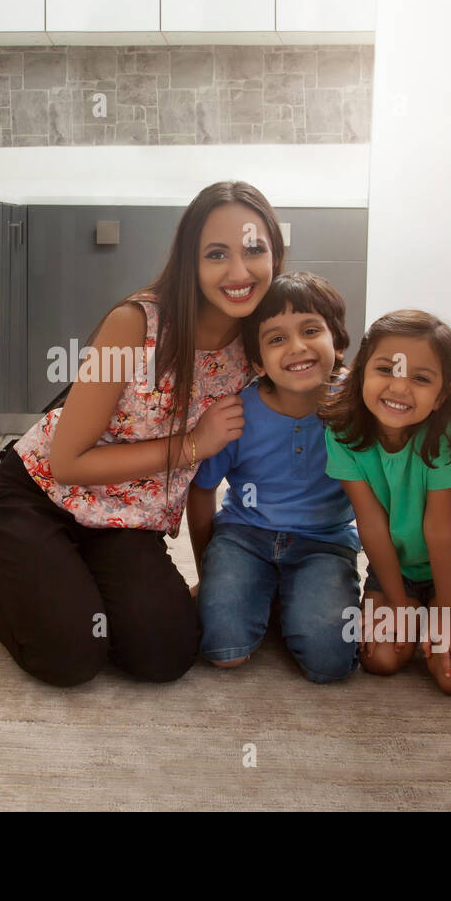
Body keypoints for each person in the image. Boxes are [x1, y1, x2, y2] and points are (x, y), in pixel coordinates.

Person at [0, 180, 285, 686]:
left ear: (275, 252)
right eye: (216, 254)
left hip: (126, 523)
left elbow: (320, 382)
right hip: (40, 499)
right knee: (70, 657)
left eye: (254, 250)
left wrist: (212, 579)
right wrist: (191, 446)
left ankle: (71, 586)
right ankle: (0, 584)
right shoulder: (134, 324)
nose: (239, 272)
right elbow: (68, 462)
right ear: (190, 260)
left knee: (166, 654)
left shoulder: (259, 345)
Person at [187, 273, 363, 683]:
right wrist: (207, 569)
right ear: (257, 360)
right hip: (243, 537)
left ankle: (287, 598)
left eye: (310, 330)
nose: (297, 347)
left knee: (330, 663)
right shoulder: (237, 412)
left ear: (337, 342)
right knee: (223, 651)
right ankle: (268, 596)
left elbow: (418, 435)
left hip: (324, 543)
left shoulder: (358, 409)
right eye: (276, 338)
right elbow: (203, 487)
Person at [323, 310, 451, 696]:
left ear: (442, 395)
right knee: (380, 660)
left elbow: (439, 529)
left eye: (420, 378)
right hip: (396, 568)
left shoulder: (445, 435)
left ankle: (437, 612)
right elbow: (370, 524)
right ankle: (418, 612)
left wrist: (449, 617)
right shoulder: (342, 431)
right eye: (386, 370)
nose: (399, 389)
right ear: (361, 371)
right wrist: (399, 603)